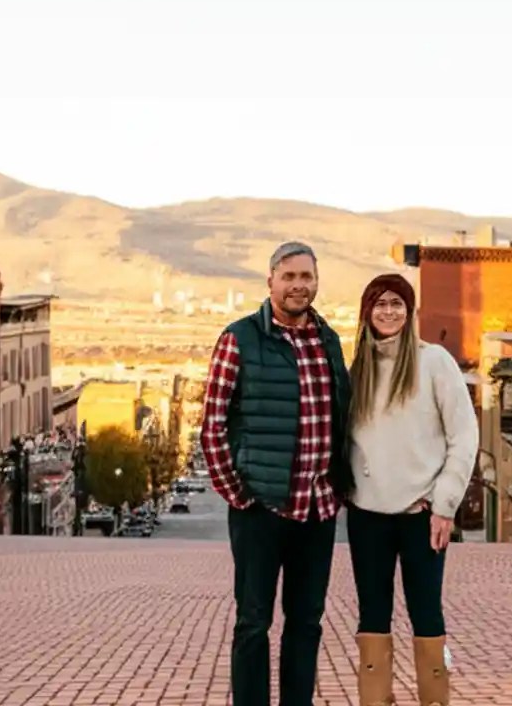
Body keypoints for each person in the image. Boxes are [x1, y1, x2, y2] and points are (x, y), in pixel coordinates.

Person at [199, 241, 353, 706]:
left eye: (306, 277)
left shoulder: (328, 340)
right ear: (271, 281)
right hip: (260, 509)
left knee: (306, 622)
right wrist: (239, 495)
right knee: (253, 623)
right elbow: (212, 425)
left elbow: (343, 415)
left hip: (317, 509)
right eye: (289, 277)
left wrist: (339, 484)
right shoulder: (240, 338)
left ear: (316, 282)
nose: (298, 286)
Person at [345, 273, 478, 706]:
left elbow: (464, 436)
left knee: (427, 617)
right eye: (380, 304)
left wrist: (445, 505)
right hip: (367, 516)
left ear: (410, 310)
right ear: (367, 312)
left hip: (422, 516)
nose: (388, 311)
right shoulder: (357, 370)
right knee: (373, 621)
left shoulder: (434, 362)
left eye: (397, 303)